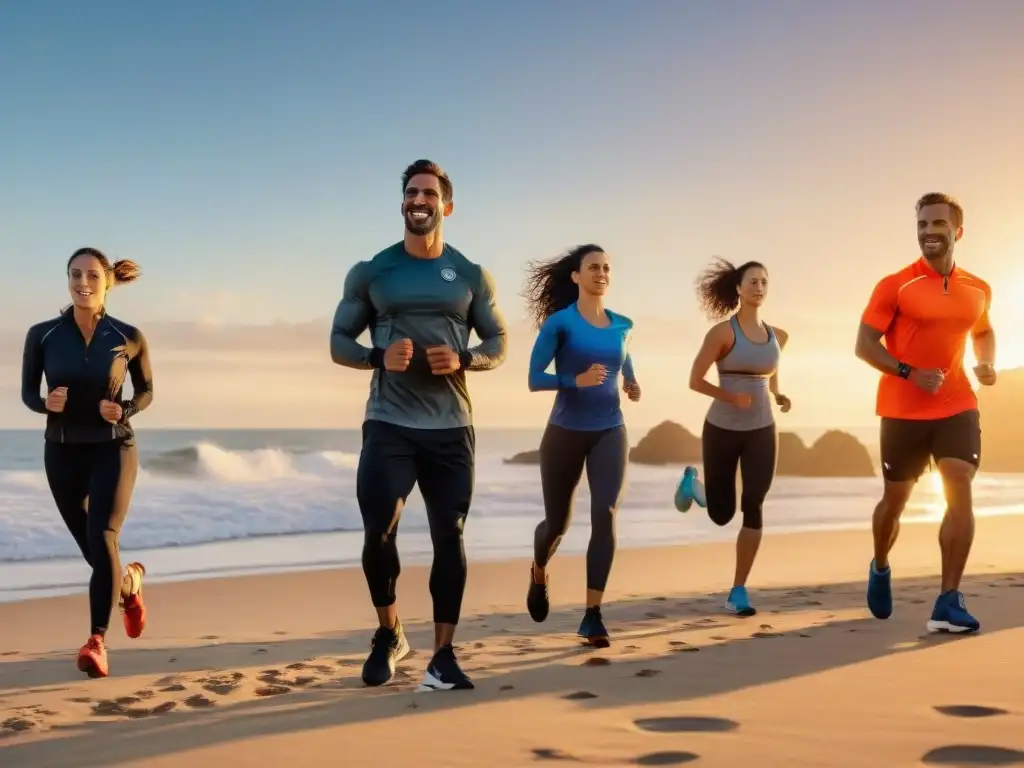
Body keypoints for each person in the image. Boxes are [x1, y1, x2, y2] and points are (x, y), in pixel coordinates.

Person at [330, 159, 508, 691]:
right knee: (378, 531)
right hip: (389, 421)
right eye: (411, 192)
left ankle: (443, 656)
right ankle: (389, 633)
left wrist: (465, 358)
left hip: (451, 425)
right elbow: (340, 341)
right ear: (402, 203)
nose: (419, 199)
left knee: (448, 536)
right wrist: (376, 356)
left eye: (429, 192)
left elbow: (497, 344)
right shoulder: (372, 271)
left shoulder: (472, 275)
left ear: (446, 206)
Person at [855, 192, 995, 634]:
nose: (929, 232)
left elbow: (984, 328)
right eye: (922, 225)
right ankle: (880, 565)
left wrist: (986, 361)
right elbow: (864, 346)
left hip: (956, 403)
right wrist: (908, 372)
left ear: (958, 231)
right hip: (902, 410)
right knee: (895, 501)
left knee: (959, 482)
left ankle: (948, 601)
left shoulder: (978, 287)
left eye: (937, 224)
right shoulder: (895, 285)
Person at [20, 247, 153, 678]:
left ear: (107, 282)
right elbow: (27, 393)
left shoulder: (128, 335)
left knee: (103, 535)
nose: (83, 283)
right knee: (95, 550)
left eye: (93, 276)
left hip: (113, 447)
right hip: (61, 451)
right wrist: (45, 403)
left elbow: (147, 390)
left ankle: (97, 641)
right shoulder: (42, 335)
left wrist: (126, 410)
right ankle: (129, 584)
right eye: (75, 275)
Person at [521, 245, 640, 648]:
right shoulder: (560, 324)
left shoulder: (622, 323)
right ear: (576, 276)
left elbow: (623, 358)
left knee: (605, 513)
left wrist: (630, 381)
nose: (601, 273)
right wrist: (576, 381)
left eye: (607, 267)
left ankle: (593, 615)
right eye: (593, 267)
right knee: (558, 524)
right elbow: (535, 378)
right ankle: (539, 569)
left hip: (611, 428)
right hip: (565, 431)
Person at [675, 258, 790, 617]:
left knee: (754, 502)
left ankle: (738, 590)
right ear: (738, 289)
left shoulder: (778, 336)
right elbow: (695, 380)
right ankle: (693, 485)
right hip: (722, 430)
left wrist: (777, 393)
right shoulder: (723, 333)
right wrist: (731, 397)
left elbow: (770, 370)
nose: (758, 287)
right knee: (722, 514)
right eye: (752, 282)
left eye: (763, 282)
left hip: (762, 430)